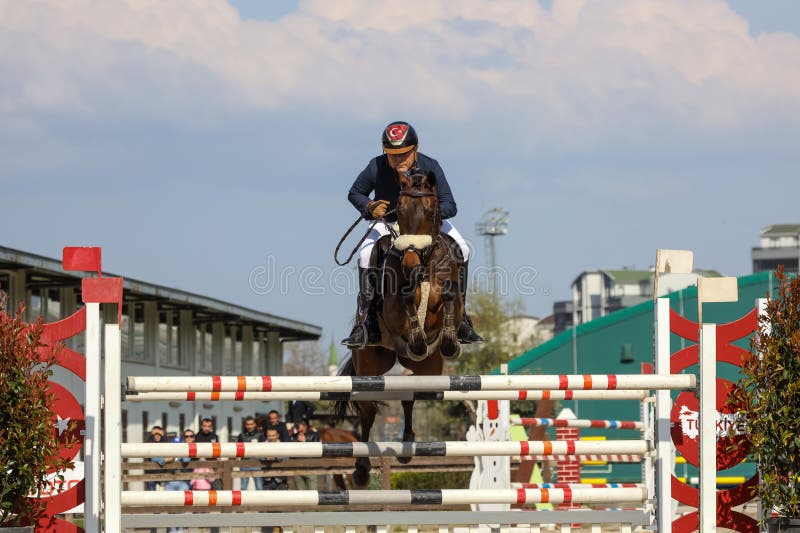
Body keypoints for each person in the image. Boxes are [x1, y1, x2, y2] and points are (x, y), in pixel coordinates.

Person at [341, 120, 483, 348]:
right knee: (365, 254)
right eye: (392, 154)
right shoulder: (375, 166)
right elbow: (355, 192)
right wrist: (369, 207)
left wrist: (429, 214)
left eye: (404, 154)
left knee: (463, 249)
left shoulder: (431, 166)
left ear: (415, 149)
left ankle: (463, 318)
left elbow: (450, 205)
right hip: (389, 222)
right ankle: (366, 323)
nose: (398, 160)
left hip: (426, 225)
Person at [236, 416, 266, 490]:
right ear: (245, 425)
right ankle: (243, 502)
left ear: (255, 424)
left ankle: (260, 501)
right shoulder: (241, 435)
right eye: (248, 424)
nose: (250, 426)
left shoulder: (260, 435)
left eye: (251, 424)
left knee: (259, 487)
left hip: (257, 463)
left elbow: (264, 448)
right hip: (244, 463)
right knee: (243, 487)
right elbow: (237, 448)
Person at [290, 420, 319, 490]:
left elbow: (317, 450)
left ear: (305, 426)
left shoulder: (314, 434)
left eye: (298, 426)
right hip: (298, 469)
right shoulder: (293, 437)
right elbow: (291, 452)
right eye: (296, 426)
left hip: (311, 468)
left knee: (313, 494)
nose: (297, 428)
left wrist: (305, 442)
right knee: (301, 495)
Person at [144, 426, 165, 491]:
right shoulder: (150, 441)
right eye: (155, 434)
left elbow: (167, 441)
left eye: (159, 434)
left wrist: (163, 435)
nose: (157, 436)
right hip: (151, 472)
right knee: (151, 491)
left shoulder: (164, 442)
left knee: (163, 491)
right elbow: (147, 444)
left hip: (163, 471)